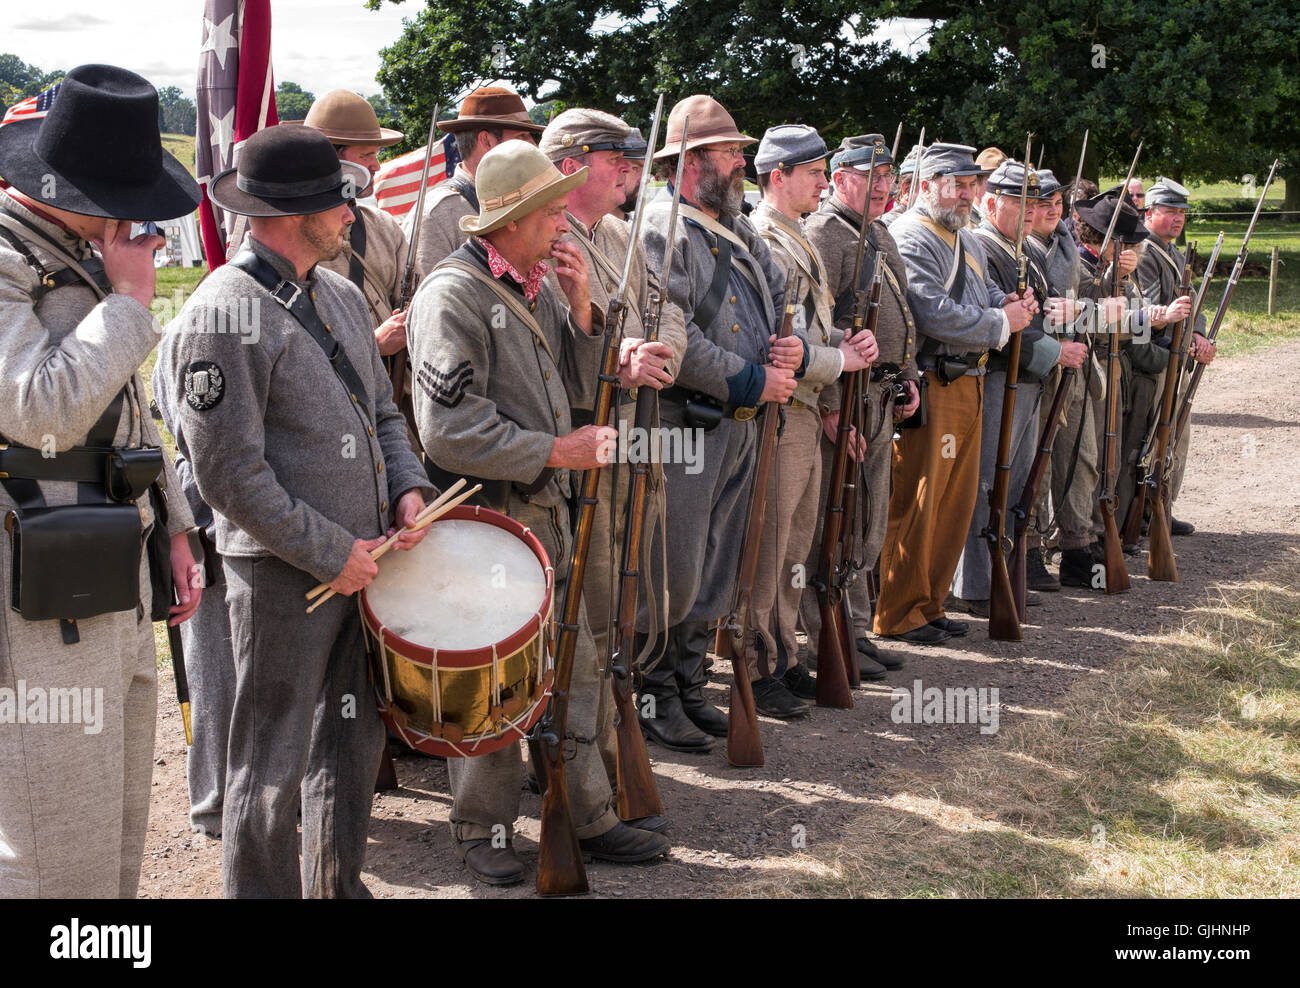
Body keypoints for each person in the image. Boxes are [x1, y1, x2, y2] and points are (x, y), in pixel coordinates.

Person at [161, 124, 434, 898]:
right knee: (268, 764)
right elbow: (226, 474)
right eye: (334, 203)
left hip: (364, 562)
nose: (350, 215)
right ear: (285, 214)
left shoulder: (341, 295)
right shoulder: (222, 310)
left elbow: (383, 411)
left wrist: (406, 486)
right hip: (284, 575)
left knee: (350, 746)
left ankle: (335, 887)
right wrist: (330, 551)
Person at [407, 139, 671, 886]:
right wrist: (557, 452)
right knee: (496, 681)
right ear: (511, 219)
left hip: (547, 517)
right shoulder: (453, 295)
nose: (564, 224)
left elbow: (583, 386)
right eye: (551, 211)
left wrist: (585, 311)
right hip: (490, 525)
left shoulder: (535, 285)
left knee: (575, 669)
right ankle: (482, 829)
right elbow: (449, 431)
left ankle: (588, 816)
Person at [0, 63, 202, 897]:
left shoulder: (80, 247)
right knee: (54, 836)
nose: (140, 212)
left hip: (112, 559)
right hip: (37, 583)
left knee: (115, 819)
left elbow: (130, 418)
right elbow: (37, 412)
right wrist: (127, 304)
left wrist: (177, 524)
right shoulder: (10, 257)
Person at [633, 95, 801, 749]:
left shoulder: (735, 226)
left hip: (736, 421)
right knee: (673, 563)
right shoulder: (661, 226)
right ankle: (652, 692)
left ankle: (686, 681)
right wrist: (756, 379)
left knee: (716, 562)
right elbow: (678, 341)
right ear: (692, 161)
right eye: (730, 153)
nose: (741, 163)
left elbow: (777, 293)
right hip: (686, 423)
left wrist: (788, 348)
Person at [538, 106, 685, 795]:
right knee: (586, 615)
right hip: (579, 443)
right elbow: (549, 350)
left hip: (633, 433)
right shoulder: (541, 233)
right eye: (614, 160)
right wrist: (611, 353)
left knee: (626, 597)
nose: (629, 171)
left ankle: (598, 753)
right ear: (570, 166)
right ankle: (575, 764)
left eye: (631, 161)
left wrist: (657, 356)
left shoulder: (622, 233)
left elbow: (669, 310)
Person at [873, 143, 1035, 644]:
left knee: (955, 502)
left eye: (972, 186)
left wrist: (1003, 302)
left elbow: (977, 291)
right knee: (920, 499)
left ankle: (930, 601)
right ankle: (899, 611)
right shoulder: (911, 236)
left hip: (970, 380)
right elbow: (931, 312)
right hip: (934, 381)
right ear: (926, 186)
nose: (969, 194)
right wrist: (999, 322)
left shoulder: (964, 236)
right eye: (958, 185)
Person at [750, 124, 877, 704]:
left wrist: (840, 368)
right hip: (778, 412)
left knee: (796, 544)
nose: (824, 184)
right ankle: (758, 663)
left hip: (806, 408)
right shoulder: (767, 241)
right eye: (815, 175)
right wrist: (842, 359)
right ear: (778, 177)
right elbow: (788, 340)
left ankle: (785, 650)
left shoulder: (796, 235)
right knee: (768, 547)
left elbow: (817, 328)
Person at [802, 134, 920, 674]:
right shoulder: (827, 232)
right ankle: (825, 633)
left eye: (889, 178)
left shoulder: (877, 232)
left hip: (878, 391)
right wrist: (829, 404)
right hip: (845, 393)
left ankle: (855, 628)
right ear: (840, 178)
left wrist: (908, 374)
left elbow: (902, 312)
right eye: (870, 177)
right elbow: (821, 324)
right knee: (837, 519)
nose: (882, 188)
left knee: (867, 515)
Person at [951, 161, 1089, 615]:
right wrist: (1054, 352)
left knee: (1015, 486)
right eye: (1022, 203)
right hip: (998, 378)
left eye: (1036, 203)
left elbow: (1030, 312)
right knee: (989, 483)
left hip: (1026, 380)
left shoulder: (1018, 250)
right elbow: (1010, 326)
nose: (1032, 212)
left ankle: (1002, 577)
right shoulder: (986, 246)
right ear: (992, 204)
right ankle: (975, 586)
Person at [406, 86, 545, 275]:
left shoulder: (524, 199)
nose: (533, 145)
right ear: (486, 141)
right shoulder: (437, 214)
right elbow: (429, 296)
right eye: (522, 136)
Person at [1132, 177, 1204, 537]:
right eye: (1170, 211)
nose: (1178, 219)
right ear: (1150, 212)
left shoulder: (1174, 252)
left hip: (1178, 354)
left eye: (1181, 213)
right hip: (1157, 359)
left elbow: (1195, 304)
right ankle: (1144, 508)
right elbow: (1151, 310)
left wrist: (1199, 335)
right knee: (1151, 437)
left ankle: (1162, 505)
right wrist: (1180, 338)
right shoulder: (1145, 253)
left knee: (1175, 435)